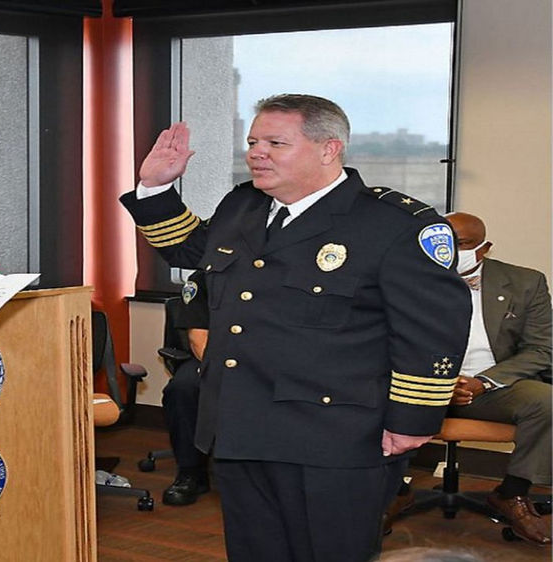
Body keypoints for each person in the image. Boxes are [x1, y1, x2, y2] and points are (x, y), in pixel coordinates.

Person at [120, 94, 471, 562]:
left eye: (275, 142)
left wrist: (411, 421)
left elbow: (432, 332)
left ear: (329, 149)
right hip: (241, 425)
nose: (255, 153)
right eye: (252, 141)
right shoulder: (243, 205)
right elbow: (190, 251)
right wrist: (154, 189)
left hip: (335, 435)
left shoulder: (394, 225)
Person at [446, 211, 551, 545]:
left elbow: (540, 349)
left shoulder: (525, 282)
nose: (449, 250)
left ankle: (512, 493)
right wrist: (441, 385)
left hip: (492, 387)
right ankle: (396, 491)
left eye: (459, 244)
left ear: (484, 248)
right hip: (427, 385)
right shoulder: (409, 277)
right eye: (442, 241)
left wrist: (483, 382)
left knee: (546, 401)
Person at [161, 270, 211, 506]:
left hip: (265, 358)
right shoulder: (203, 278)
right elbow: (199, 339)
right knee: (182, 389)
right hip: (210, 356)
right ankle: (190, 472)